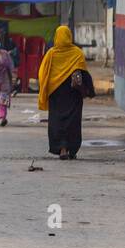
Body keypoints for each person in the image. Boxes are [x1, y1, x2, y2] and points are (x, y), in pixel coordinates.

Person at [39, 25, 94, 160]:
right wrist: (89, 90)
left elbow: (42, 73)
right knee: (73, 122)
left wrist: (46, 88)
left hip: (55, 93)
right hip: (73, 93)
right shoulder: (76, 53)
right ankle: (72, 149)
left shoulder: (51, 53)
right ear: (69, 36)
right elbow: (83, 72)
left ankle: (62, 149)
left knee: (57, 121)